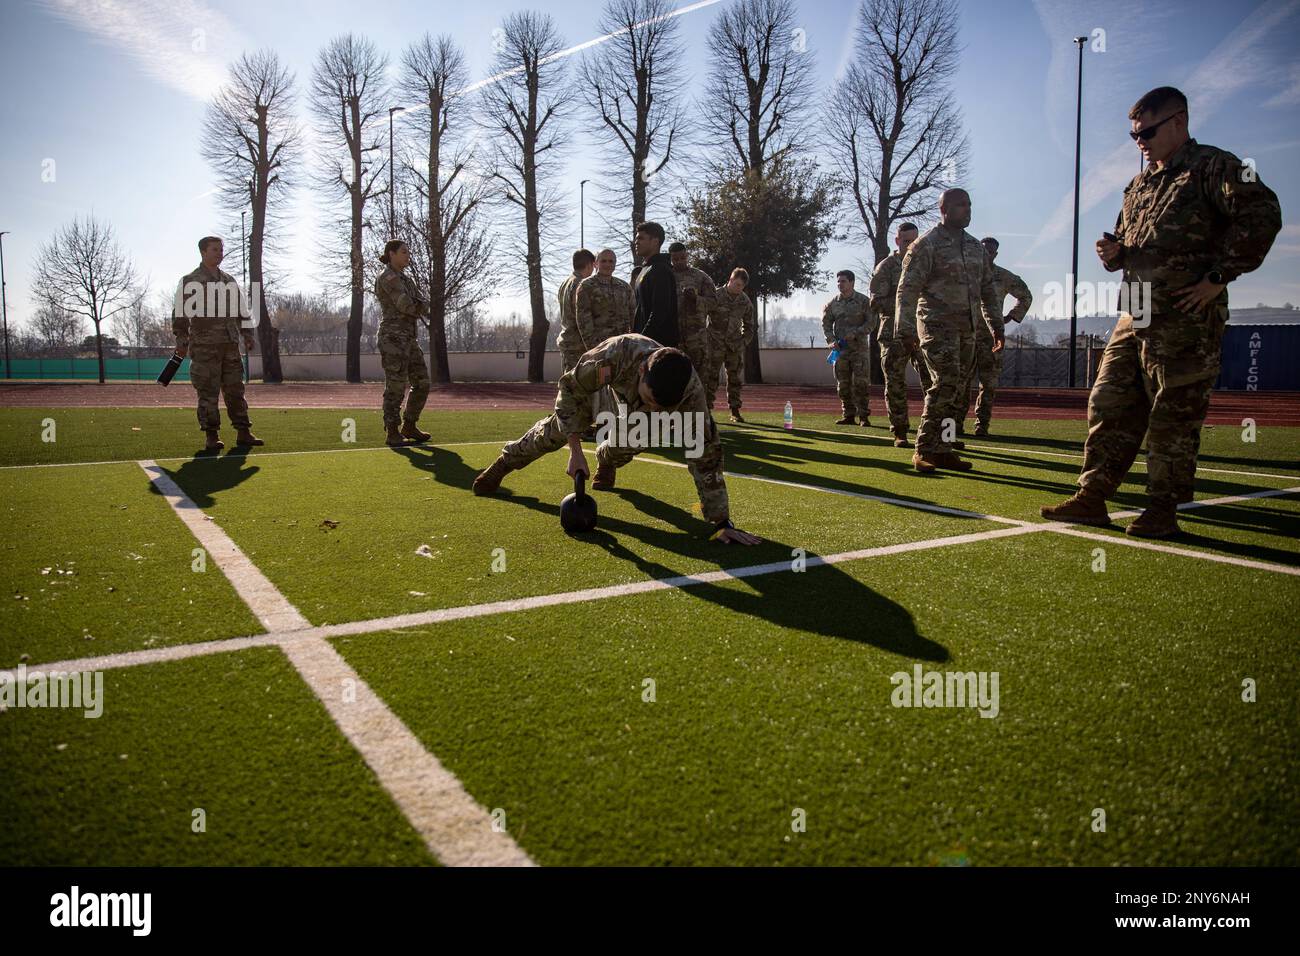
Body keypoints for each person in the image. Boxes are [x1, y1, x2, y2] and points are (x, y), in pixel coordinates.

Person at [1042, 86, 1281, 538]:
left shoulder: (1216, 165)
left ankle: (1163, 509)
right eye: (1133, 135)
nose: (1140, 141)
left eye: (1147, 131)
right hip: (1133, 313)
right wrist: (1112, 252)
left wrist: (1217, 277)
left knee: (1173, 413)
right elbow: (1127, 243)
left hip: (1184, 318)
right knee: (1108, 403)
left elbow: (1264, 214)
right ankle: (1093, 497)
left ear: (1178, 121)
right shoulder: (1139, 183)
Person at [472, 333, 761, 545]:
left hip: (631, 409)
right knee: (556, 431)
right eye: (650, 399)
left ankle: (606, 459)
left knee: (634, 439)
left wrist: (721, 521)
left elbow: (706, 453)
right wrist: (575, 448)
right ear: (641, 370)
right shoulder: (615, 355)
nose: (652, 408)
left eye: (659, 407)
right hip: (600, 392)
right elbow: (569, 390)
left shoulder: (690, 392)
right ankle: (504, 463)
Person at [895, 188, 1004, 473]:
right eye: (960, 205)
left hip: (967, 329)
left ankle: (943, 447)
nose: (967, 210)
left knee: (958, 391)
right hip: (935, 326)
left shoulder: (974, 247)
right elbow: (907, 290)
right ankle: (923, 449)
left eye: (969, 204)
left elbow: (988, 291)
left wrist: (996, 326)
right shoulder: (926, 245)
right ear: (944, 209)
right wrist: (904, 329)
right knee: (945, 381)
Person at [172, 236, 260, 452]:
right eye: (215, 250)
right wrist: (182, 339)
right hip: (204, 347)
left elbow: (242, 310)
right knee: (208, 392)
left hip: (230, 347)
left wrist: (247, 334)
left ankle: (243, 432)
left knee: (235, 390)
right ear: (203, 252)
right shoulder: (190, 281)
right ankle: (212, 436)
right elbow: (179, 314)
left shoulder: (229, 281)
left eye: (221, 250)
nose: (219, 253)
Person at [959, 237, 1032, 438]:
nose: (987, 255)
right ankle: (956, 425)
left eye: (990, 252)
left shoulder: (1003, 276)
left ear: (995, 254)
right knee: (961, 382)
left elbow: (1026, 295)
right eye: (983, 251)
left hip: (992, 338)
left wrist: (1011, 316)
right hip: (967, 335)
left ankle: (982, 425)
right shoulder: (967, 274)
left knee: (988, 383)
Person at [869, 222, 931, 446]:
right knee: (895, 383)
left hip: (923, 333)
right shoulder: (886, 267)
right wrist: (903, 306)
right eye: (906, 241)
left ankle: (934, 432)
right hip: (894, 335)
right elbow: (875, 302)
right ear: (897, 241)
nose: (911, 245)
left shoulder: (926, 264)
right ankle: (900, 431)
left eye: (915, 241)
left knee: (933, 382)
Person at [373, 239, 432, 447]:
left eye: (408, 252)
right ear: (391, 254)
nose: (408, 255)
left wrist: (421, 306)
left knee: (422, 383)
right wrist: (419, 306)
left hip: (408, 338)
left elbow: (422, 303)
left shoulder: (406, 280)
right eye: (404, 252)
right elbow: (406, 305)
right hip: (392, 338)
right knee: (396, 386)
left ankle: (409, 425)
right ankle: (392, 431)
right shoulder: (387, 277)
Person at [822, 270, 873, 426]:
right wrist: (831, 340)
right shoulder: (833, 303)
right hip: (841, 351)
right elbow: (826, 323)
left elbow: (871, 323)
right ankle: (848, 415)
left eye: (843, 281)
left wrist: (856, 333)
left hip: (859, 350)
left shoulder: (864, 302)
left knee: (861, 384)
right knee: (843, 385)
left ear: (852, 282)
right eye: (838, 282)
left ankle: (863, 416)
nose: (840, 284)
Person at [705, 267, 754, 421]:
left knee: (734, 380)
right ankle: (706, 410)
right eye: (734, 282)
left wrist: (743, 342)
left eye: (739, 285)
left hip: (734, 346)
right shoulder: (716, 295)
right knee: (710, 378)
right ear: (730, 279)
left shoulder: (745, 301)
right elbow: (701, 315)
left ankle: (735, 411)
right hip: (714, 343)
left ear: (743, 286)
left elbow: (750, 326)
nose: (735, 286)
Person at [668, 241, 717, 382]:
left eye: (682, 258)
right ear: (671, 259)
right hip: (673, 338)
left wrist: (696, 299)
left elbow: (713, 303)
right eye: (675, 259)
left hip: (697, 340)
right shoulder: (666, 277)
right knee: (675, 381)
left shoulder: (701, 277)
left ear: (687, 256)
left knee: (700, 381)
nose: (679, 262)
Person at [629, 222, 678, 346]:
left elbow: (659, 312)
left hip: (657, 348)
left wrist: (642, 341)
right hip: (645, 345)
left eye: (641, 238)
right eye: (636, 238)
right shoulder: (644, 270)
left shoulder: (660, 270)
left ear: (655, 241)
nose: (636, 242)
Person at [557, 248, 596, 374]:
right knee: (578, 388)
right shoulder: (582, 284)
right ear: (589, 264)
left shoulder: (565, 283)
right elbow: (583, 318)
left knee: (568, 385)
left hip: (567, 342)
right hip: (578, 345)